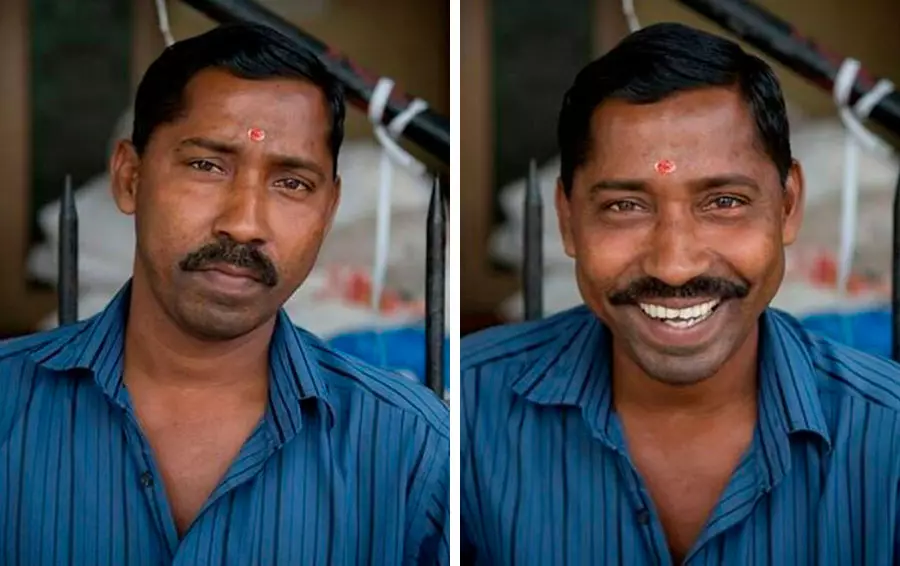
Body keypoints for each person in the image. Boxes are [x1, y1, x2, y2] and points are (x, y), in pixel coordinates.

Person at [0, 23, 448, 565]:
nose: (243, 223)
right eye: (207, 166)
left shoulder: (409, 447)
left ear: (328, 212)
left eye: (292, 183)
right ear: (130, 178)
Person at [461, 22, 900, 566]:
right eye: (625, 206)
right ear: (567, 220)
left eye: (724, 202)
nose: (673, 265)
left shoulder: (890, 435)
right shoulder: (461, 417)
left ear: (787, 206)